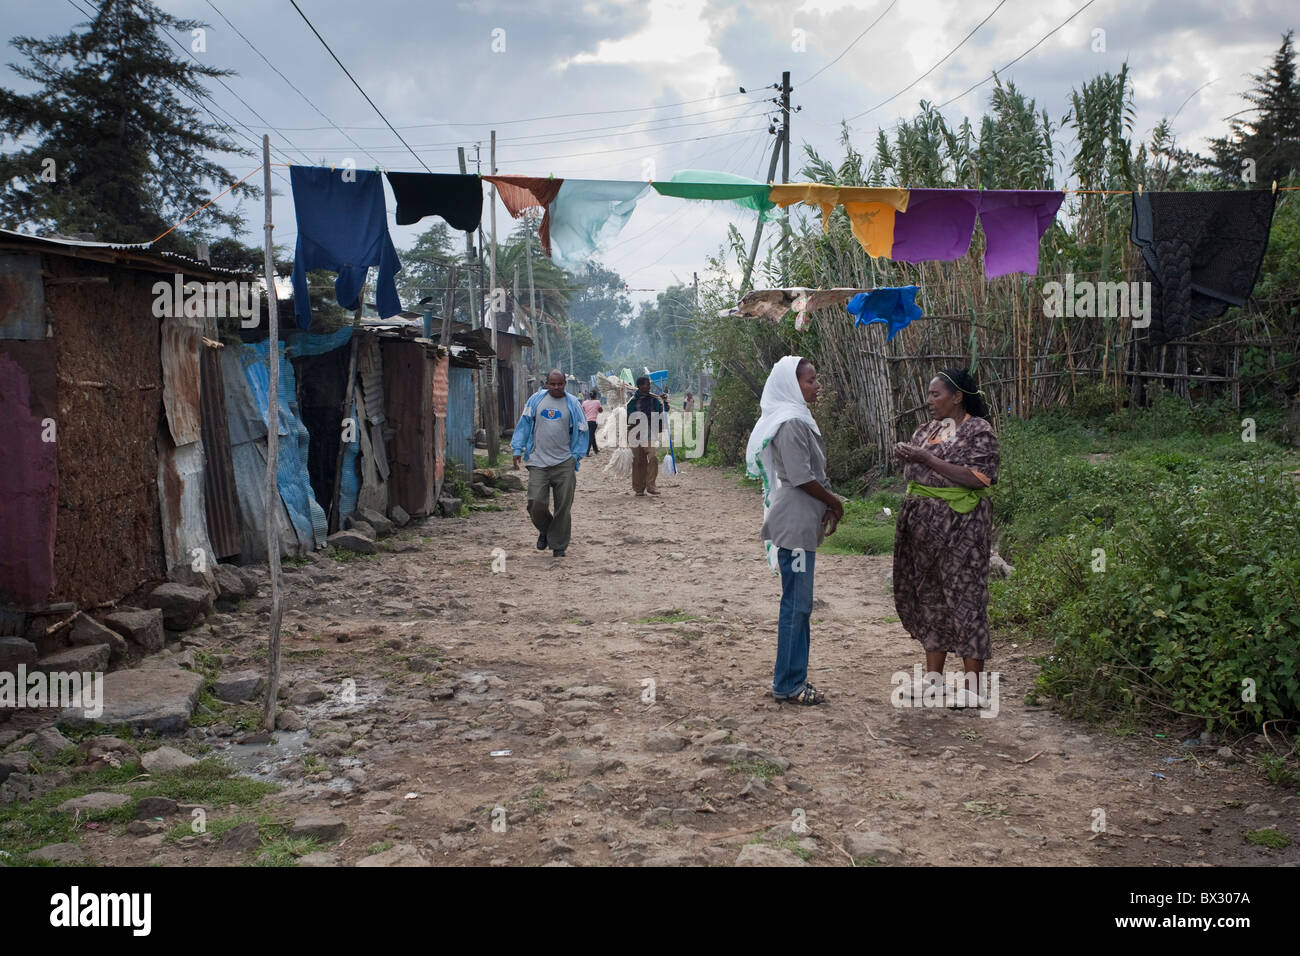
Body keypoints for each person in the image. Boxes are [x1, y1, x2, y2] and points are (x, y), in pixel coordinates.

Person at [892, 367, 1000, 708]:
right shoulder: (926, 430)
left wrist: (927, 459)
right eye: (929, 394)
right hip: (923, 533)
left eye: (935, 394)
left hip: (962, 533)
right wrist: (910, 455)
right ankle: (934, 680)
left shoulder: (978, 432)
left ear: (957, 397)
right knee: (931, 598)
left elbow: (979, 478)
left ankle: (974, 689)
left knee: (966, 599)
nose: (929, 401)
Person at [746, 356, 843, 705]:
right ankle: (788, 684)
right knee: (797, 604)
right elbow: (802, 478)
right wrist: (835, 501)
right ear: (791, 385)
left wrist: (828, 504)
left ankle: (791, 679)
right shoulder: (790, 424)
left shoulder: (799, 420)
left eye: (816, 379)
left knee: (798, 604)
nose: (817, 386)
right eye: (810, 381)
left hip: (802, 521)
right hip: (795, 525)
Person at [510, 369, 589, 558]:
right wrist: (517, 448)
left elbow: (583, 429)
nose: (556, 387)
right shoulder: (535, 400)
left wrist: (575, 456)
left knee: (563, 506)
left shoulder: (573, 403)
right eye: (552, 384)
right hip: (538, 461)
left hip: (564, 462)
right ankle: (546, 530)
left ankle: (559, 546)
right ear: (546, 383)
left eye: (559, 384)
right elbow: (524, 424)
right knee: (535, 503)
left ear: (564, 384)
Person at [626, 376, 665, 497]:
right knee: (638, 461)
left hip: (649, 433)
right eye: (646, 385)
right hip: (635, 433)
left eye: (649, 385)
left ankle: (651, 485)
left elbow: (662, 411)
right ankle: (639, 488)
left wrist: (665, 403)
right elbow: (628, 418)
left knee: (653, 457)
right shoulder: (632, 402)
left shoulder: (655, 400)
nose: (648, 387)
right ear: (639, 386)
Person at [581, 389, 603, 456]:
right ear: (596, 395)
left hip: (586, 422)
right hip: (593, 422)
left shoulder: (584, 402)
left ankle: (596, 450)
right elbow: (601, 411)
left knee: (591, 435)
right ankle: (586, 452)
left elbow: (582, 411)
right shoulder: (597, 402)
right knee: (591, 436)